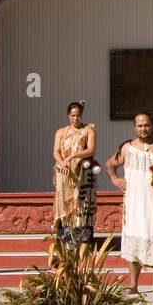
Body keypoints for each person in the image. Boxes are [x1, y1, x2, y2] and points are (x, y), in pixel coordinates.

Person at [105, 112, 153, 294]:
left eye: (146, 125)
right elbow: (109, 165)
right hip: (135, 202)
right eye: (140, 126)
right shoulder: (127, 148)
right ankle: (133, 285)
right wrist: (115, 180)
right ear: (134, 127)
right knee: (134, 238)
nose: (143, 129)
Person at [52, 101, 97, 247]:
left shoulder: (88, 130)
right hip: (64, 172)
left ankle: (83, 240)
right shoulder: (61, 132)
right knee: (65, 203)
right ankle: (65, 237)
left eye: (78, 116)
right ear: (68, 116)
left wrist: (73, 156)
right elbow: (56, 152)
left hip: (82, 171)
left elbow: (90, 150)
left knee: (81, 203)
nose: (75, 119)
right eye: (72, 116)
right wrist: (63, 163)